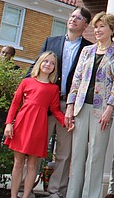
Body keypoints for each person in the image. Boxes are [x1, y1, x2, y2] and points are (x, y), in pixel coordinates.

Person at [65, 12, 114, 198]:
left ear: (112, 29)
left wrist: (110, 108)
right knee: (77, 155)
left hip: (102, 111)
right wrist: (70, 105)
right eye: (96, 26)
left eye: (102, 26)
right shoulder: (87, 51)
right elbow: (76, 79)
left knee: (96, 156)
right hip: (81, 107)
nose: (97, 30)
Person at [33, 6, 92, 198]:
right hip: (45, 103)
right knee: (36, 147)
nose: (73, 19)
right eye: (72, 16)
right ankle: (26, 188)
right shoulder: (52, 42)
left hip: (70, 105)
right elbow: (36, 69)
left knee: (64, 153)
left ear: (85, 25)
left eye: (79, 18)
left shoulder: (88, 48)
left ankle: (56, 191)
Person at [5, 51, 71, 198]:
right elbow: (15, 104)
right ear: (40, 63)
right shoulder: (26, 81)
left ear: (55, 68)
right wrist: (9, 123)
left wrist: (65, 122)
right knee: (18, 163)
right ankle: (13, 195)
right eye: (46, 61)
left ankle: (26, 195)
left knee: (33, 164)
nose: (48, 64)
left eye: (52, 63)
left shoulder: (53, 88)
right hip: (23, 123)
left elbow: (55, 109)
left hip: (39, 127)